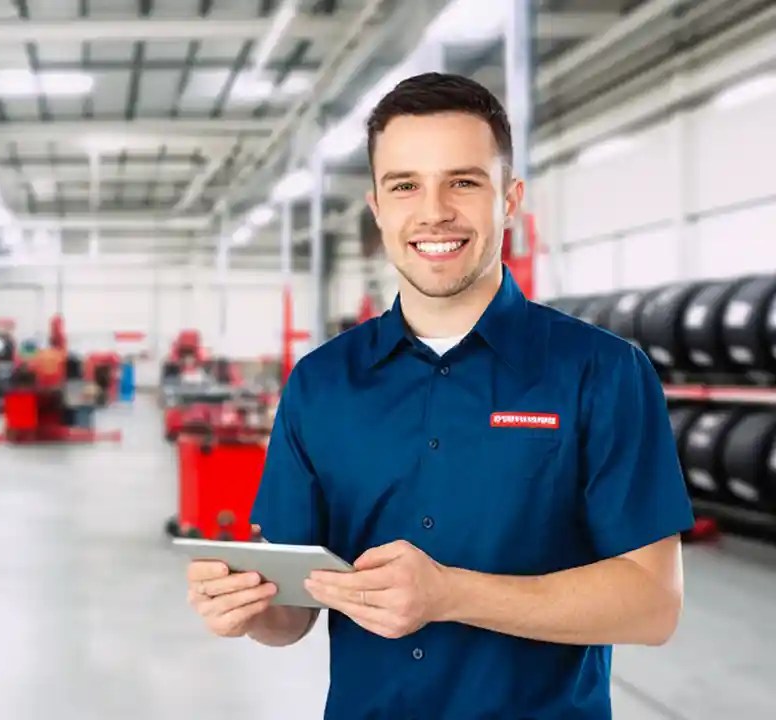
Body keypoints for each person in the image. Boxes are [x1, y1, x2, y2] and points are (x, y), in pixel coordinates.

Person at [185, 72, 694, 719]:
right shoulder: (321, 384)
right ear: (377, 208)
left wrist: (451, 594)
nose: (434, 212)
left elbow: (653, 605)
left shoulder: (603, 372)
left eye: (463, 181)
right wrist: (250, 607)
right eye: (406, 186)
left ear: (510, 199)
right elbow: (295, 614)